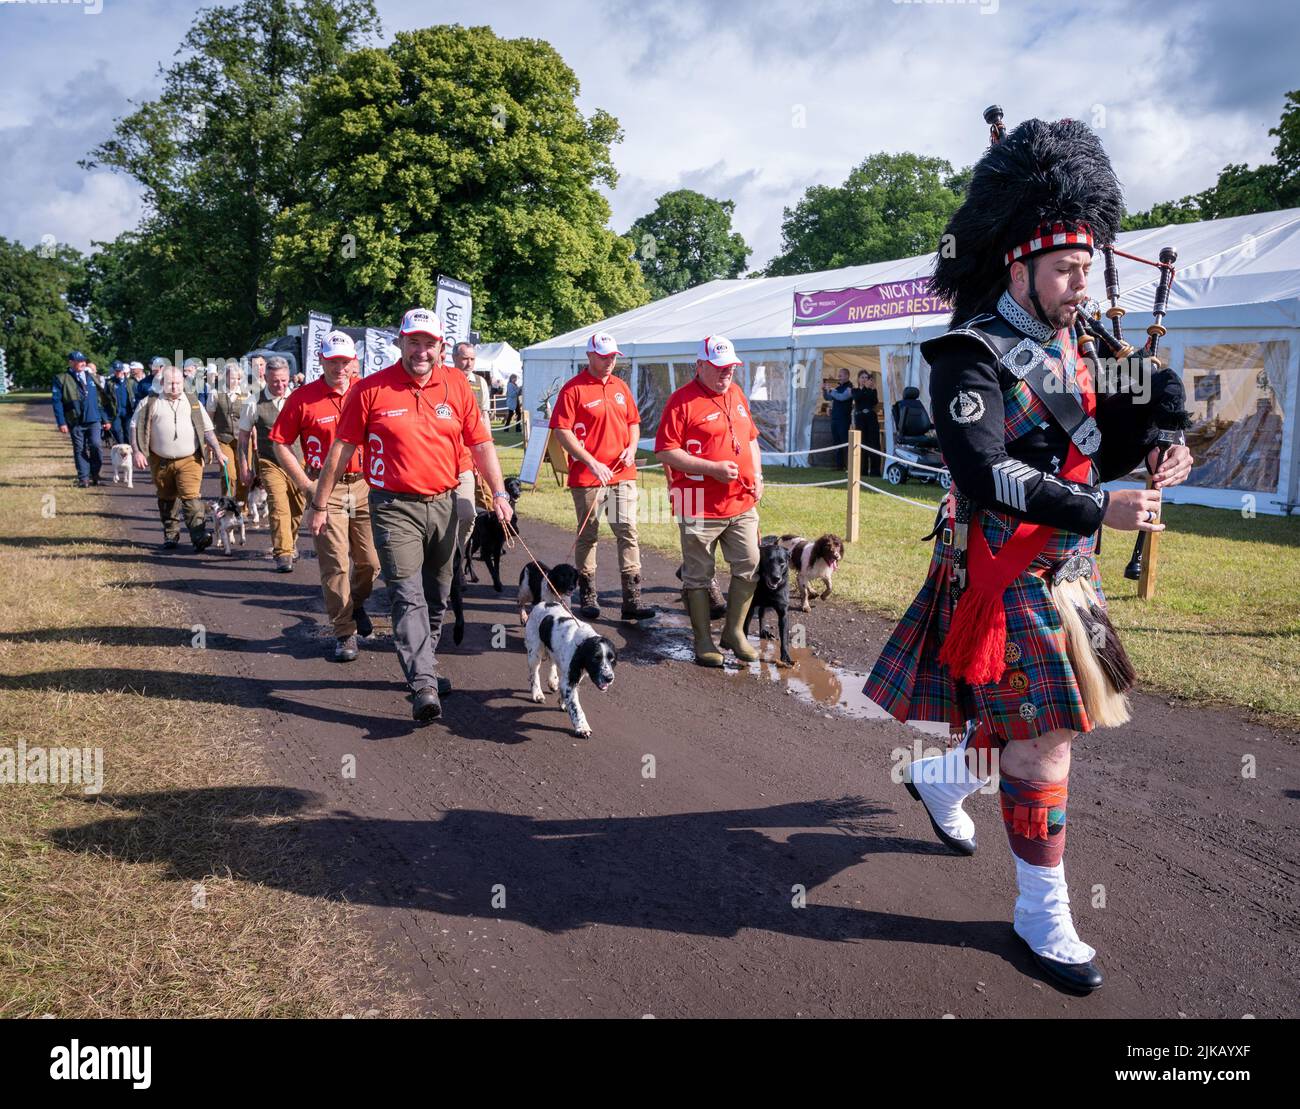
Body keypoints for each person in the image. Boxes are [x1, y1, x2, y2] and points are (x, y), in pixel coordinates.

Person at [862, 117, 1194, 993]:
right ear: (1018, 263)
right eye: (1065, 270)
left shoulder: (1083, 344)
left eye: (1088, 269)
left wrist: (1166, 442)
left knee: (1030, 728)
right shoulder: (966, 355)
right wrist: (1099, 503)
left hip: (1070, 572)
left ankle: (940, 780)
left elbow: (1147, 400)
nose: (1080, 286)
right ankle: (1040, 910)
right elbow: (984, 470)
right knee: (1048, 740)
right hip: (1003, 570)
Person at [311, 309, 513, 723]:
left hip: (443, 503)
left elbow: (482, 444)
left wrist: (498, 492)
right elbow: (341, 450)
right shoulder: (369, 390)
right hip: (392, 506)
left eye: (429, 343)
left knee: (439, 593)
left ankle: (427, 660)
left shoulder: (457, 385)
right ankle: (422, 681)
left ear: (440, 347)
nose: (421, 351)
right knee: (406, 593)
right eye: (413, 342)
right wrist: (320, 502)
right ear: (400, 343)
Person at [269, 331, 380, 663]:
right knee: (334, 562)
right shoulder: (303, 398)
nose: (340, 368)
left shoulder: (367, 392)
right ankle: (344, 633)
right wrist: (306, 484)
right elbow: (280, 443)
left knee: (371, 563)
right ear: (322, 360)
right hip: (324, 489)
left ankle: (354, 604)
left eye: (345, 361)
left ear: (353, 361)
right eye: (334, 361)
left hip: (363, 485)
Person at [654, 334, 764, 667]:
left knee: (749, 564)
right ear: (699, 366)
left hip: (741, 500)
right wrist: (712, 468)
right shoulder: (681, 401)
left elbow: (751, 439)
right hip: (697, 502)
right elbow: (665, 451)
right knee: (698, 575)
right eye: (718, 368)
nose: (725, 374)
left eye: (730, 367)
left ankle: (733, 633)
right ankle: (703, 640)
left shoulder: (737, 394)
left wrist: (757, 475)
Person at [551, 332, 656, 622]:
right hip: (588, 476)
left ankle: (632, 599)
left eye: (613, 356)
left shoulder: (621, 386)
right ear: (590, 356)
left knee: (628, 531)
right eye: (604, 356)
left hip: (622, 472)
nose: (609, 361)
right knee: (589, 534)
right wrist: (590, 461)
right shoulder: (573, 389)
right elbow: (562, 430)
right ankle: (588, 595)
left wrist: (632, 449)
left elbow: (633, 423)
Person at [131, 365, 221, 551]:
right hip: (160, 460)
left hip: (190, 459)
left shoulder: (193, 402)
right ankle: (171, 534)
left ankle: (199, 536)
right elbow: (134, 427)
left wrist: (218, 451)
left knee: (191, 498)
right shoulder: (149, 403)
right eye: (171, 383)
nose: (175, 387)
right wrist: (138, 451)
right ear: (162, 383)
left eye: (178, 383)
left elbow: (208, 429)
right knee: (167, 498)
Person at [238, 356, 304, 572]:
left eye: (284, 381)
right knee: (278, 506)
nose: (280, 386)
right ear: (265, 378)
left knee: (297, 509)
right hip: (270, 461)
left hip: (297, 462)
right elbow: (244, 438)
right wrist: (244, 467)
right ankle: (283, 553)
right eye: (275, 381)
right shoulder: (253, 402)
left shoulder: (298, 397)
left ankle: (290, 544)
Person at [51, 350, 115, 487]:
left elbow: (100, 401)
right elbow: (56, 402)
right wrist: (61, 422)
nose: (82, 363)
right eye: (79, 361)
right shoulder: (61, 379)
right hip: (75, 420)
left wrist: (106, 419)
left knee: (96, 446)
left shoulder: (91, 377)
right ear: (71, 362)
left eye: (84, 361)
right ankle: (83, 478)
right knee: (79, 449)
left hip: (94, 419)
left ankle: (95, 473)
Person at [207, 360, 250, 501]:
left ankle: (242, 505)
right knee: (229, 475)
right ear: (224, 377)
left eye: (238, 378)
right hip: (223, 439)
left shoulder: (246, 394)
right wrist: (208, 443)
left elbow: (251, 420)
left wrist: (255, 440)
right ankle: (227, 504)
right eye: (231, 377)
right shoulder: (215, 393)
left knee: (244, 474)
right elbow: (209, 420)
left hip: (243, 439)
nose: (235, 381)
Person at [822, 368, 853, 470]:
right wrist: (824, 389)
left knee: (845, 443)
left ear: (847, 376)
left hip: (843, 419)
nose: (838, 377)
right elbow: (828, 397)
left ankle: (849, 466)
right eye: (838, 375)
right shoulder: (838, 387)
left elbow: (841, 397)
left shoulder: (850, 387)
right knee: (836, 442)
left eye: (841, 375)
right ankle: (839, 465)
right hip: (835, 418)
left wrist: (831, 390)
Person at [453, 341, 492, 420]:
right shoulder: (445, 380)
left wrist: (487, 432)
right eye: (465, 359)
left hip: (475, 431)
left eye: (472, 359)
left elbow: (485, 415)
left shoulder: (481, 382)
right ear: (454, 358)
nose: (469, 363)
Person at [852, 370, 880, 477]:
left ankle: (875, 471)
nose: (864, 379)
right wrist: (865, 388)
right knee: (862, 443)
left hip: (871, 419)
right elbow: (858, 398)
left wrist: (869, 389)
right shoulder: (855, 390)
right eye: (862, 377)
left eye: (866, 378)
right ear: (858, 379)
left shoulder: (872, 390)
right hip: (860, 419)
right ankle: (862, 470)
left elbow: (873, 401)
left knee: (874, 444)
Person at [108, 361, 136, 445]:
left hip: (128, 412)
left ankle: (128, 450)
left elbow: (136, 395)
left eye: (119, 370)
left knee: (128, 432)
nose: (118, 373)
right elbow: (105, 398)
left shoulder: (131, 382)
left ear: (123, 371)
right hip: (116, 412)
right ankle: (121, 446)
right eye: (116, 371)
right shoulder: (110, 383)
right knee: (116, 430)